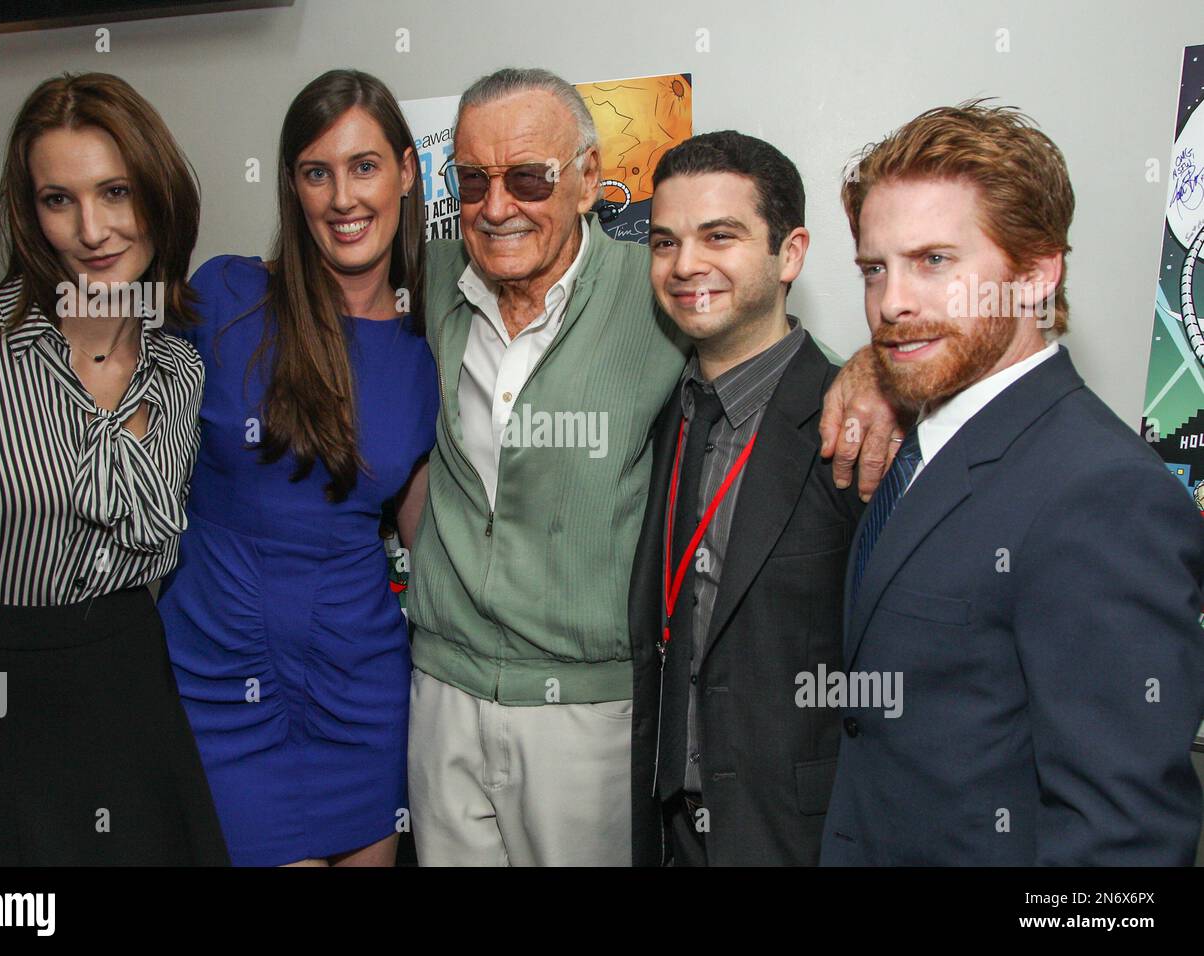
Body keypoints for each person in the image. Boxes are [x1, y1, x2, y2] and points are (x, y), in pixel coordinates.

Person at [406, 67, 897, 866]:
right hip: (443, 693)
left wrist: (880, 374)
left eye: (528, 176)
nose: (497, 206)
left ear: (588, 180)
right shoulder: (433, 278)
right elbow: (328, 279)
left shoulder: (652, 299)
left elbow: (771, 358)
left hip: (591, 716)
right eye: (472, 180)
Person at [820, 101, 1204, 865]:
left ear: (1035, 274)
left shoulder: (1102, 495)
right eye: (874, 267)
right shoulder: (920, 441)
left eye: (935, 261)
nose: (892, 301)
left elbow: (1124, 841)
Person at [0, 72, 227, 866]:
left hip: (133, 700)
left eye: (116, 191)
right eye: (59, 199)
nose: (93, 229)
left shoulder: (182, 368)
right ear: (29, 212)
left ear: (159, 192)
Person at [157, 70, 436, 867]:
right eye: (317, 172)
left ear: (407, 172)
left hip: (360, 686)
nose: (343, 196)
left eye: (365, 166)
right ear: (293, 187)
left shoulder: (427, 349)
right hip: (219, 681)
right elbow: (117, 415)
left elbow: (430, 536)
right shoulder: (227, 299)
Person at [630, 131, 865, 866]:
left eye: (719, 236)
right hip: (666, 825)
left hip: (790, 834)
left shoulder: (855, 427)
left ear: (789, 253)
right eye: (664, 243)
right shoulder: (659, 409)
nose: (686, 264)